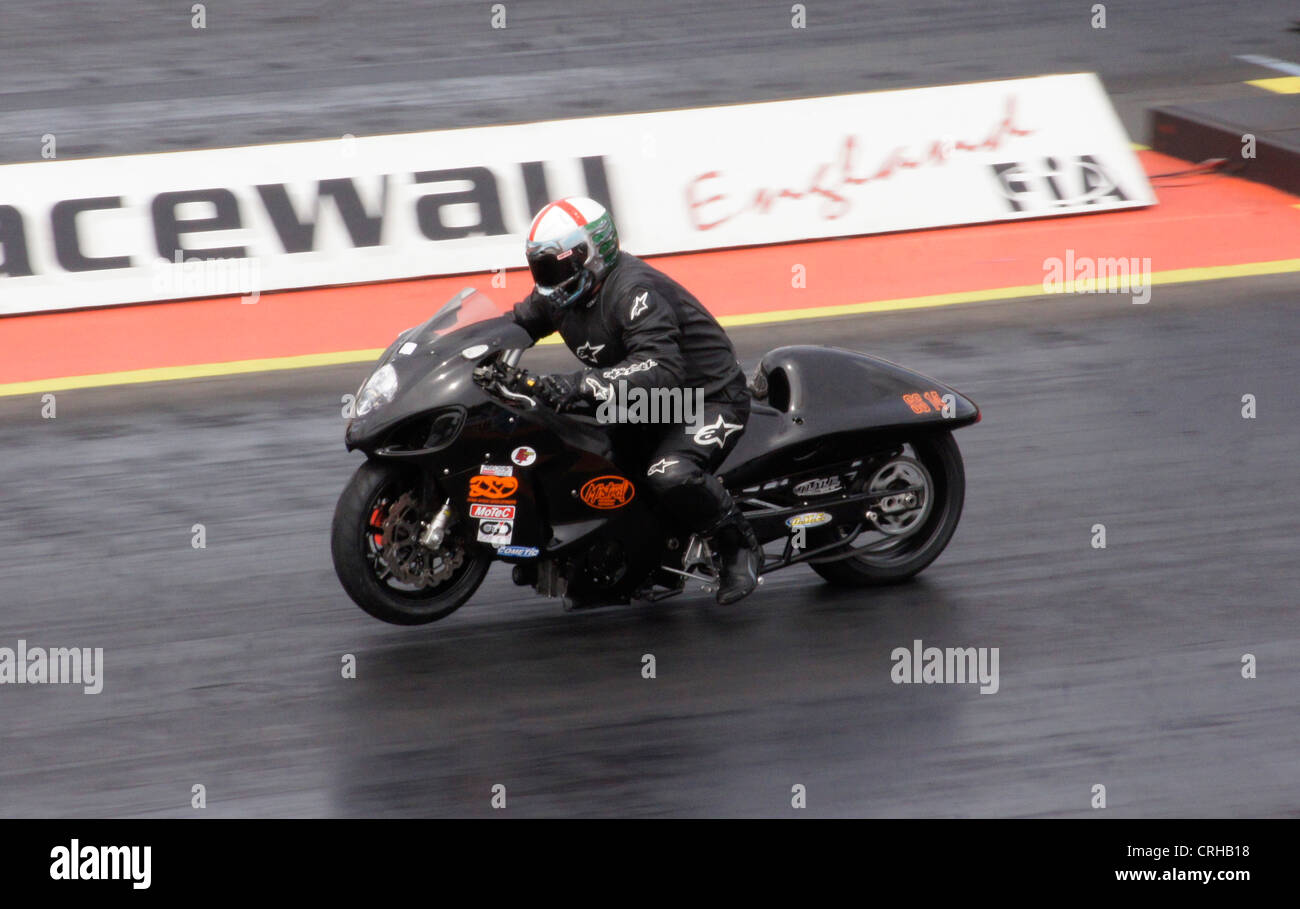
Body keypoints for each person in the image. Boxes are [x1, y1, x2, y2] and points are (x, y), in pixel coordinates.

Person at [509, 196, 761, 604]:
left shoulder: (632, 291)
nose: (548, 278)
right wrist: (468, 352)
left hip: (704, 398)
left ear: (593, 252)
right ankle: (638, 555)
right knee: (573, 442)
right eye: (541, 267)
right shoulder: (560, 294)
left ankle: (737, 547)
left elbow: (661, 367)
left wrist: (581, 386)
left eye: (556, 266)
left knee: (668, 472)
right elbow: (515, 325)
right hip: (647, 402)